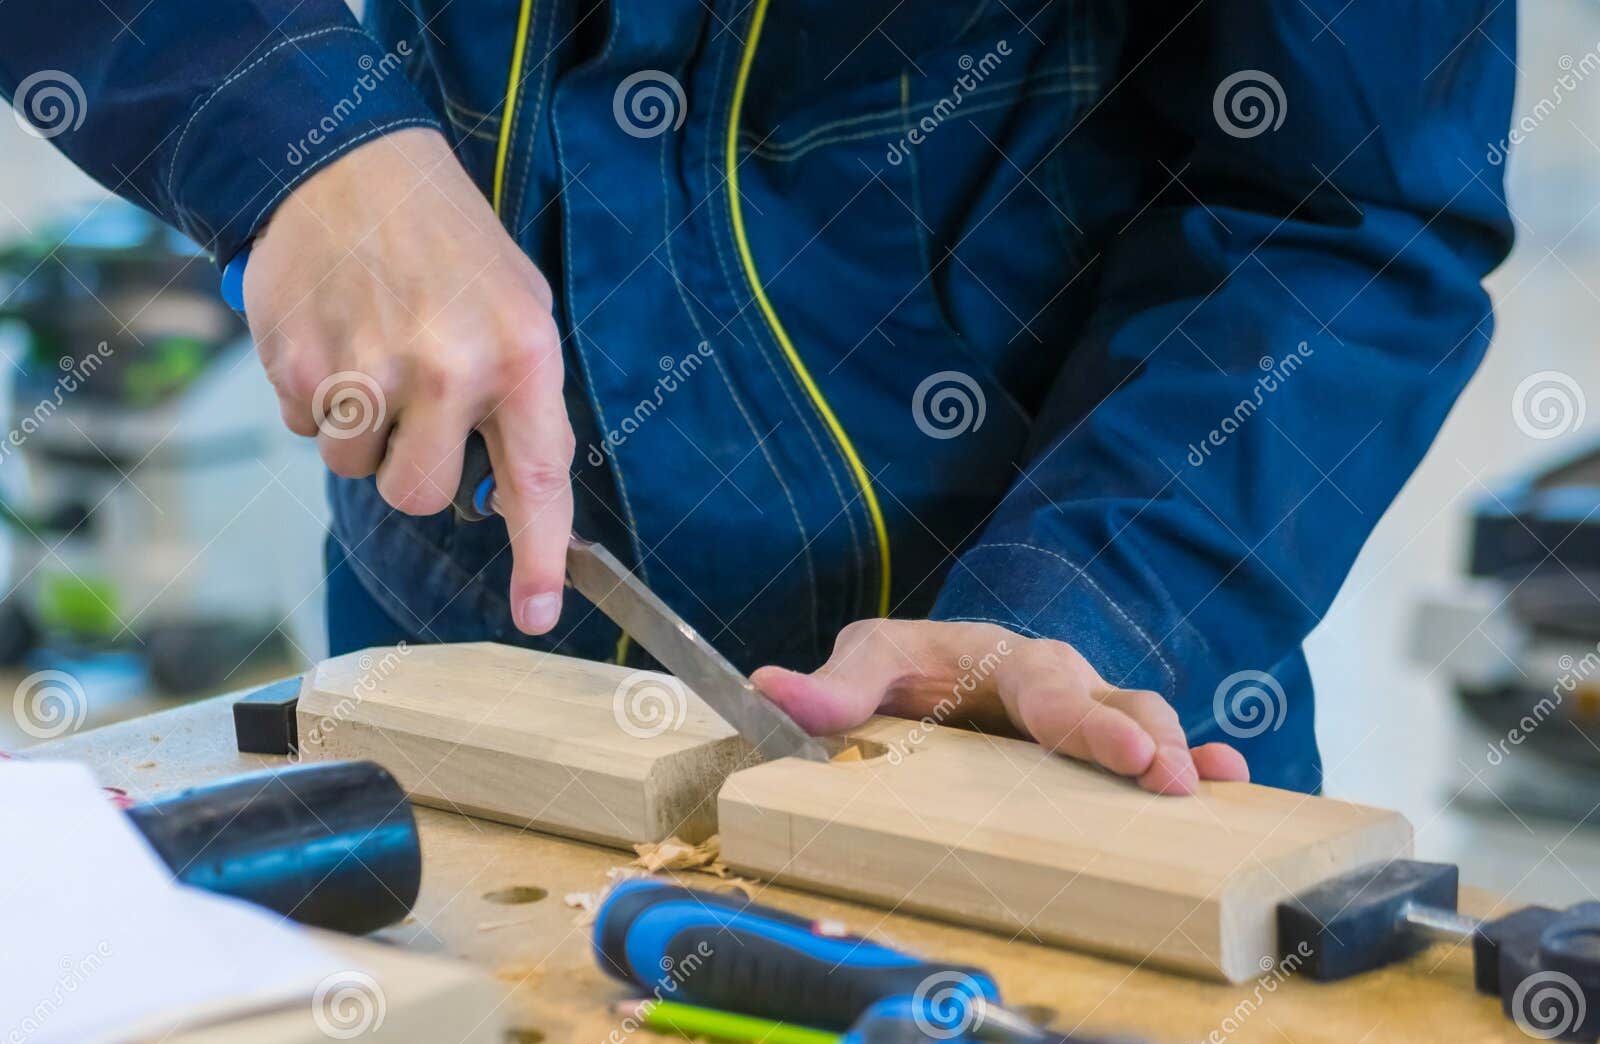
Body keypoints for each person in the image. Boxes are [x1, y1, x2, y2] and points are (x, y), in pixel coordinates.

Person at [0, 2, 1514, 795]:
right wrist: (289, 130)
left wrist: (1095, 602)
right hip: (453, 653)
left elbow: (1343, 208)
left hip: (1035, 696)